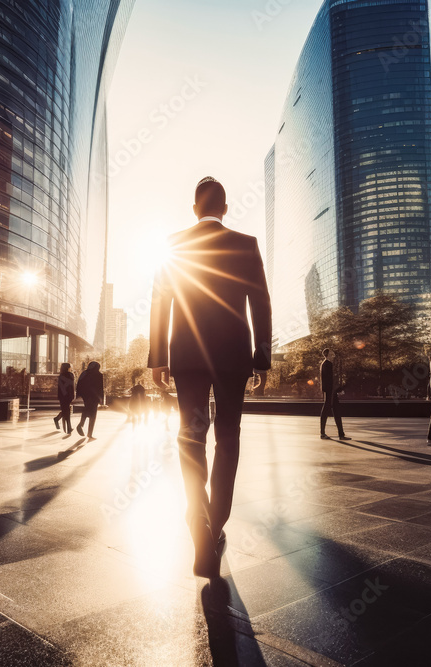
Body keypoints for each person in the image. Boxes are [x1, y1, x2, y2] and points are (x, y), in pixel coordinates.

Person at [149, 176, 272, 578]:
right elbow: (261, 302)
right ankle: (215, 524)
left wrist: (158, 359)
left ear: (194, 208)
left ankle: (198, 519)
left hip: (187, 355)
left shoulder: (174, 244)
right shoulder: (246, 244)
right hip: (234, 356)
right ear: (225, 208)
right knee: (228, 436)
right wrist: (261, 360)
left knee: (191, 435)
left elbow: (160, 302)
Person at [319, 349, 349, 440]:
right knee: (330, 412)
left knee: (334, 412)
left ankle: (340, 434)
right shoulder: (328, 364)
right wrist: (338, 390)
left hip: (330, 391)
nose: (334, 355)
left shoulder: (324, 364)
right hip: (331, 392)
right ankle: (327, 434)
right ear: (327, 355)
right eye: (332, 354)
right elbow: (331, 380)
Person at [75, 361, 105, 438]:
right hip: (95, 397)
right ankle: (89, 433)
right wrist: (101, 399)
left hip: (86, 396)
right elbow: (100, 388)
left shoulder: (84, 373)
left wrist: (78, 394)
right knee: (93, 415)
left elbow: (79, 384)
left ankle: (81, 424)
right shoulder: (99, 375)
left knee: (86, 410)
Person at [53, 363, 74, 434]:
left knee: (65, 411)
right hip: (68, 395)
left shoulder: (61, 376)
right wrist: (72, 395)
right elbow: (71, 386)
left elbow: (61, 387)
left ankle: (57, 419)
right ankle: (68, 428)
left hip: (62, 396)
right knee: (66, 411)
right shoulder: (70, 375)